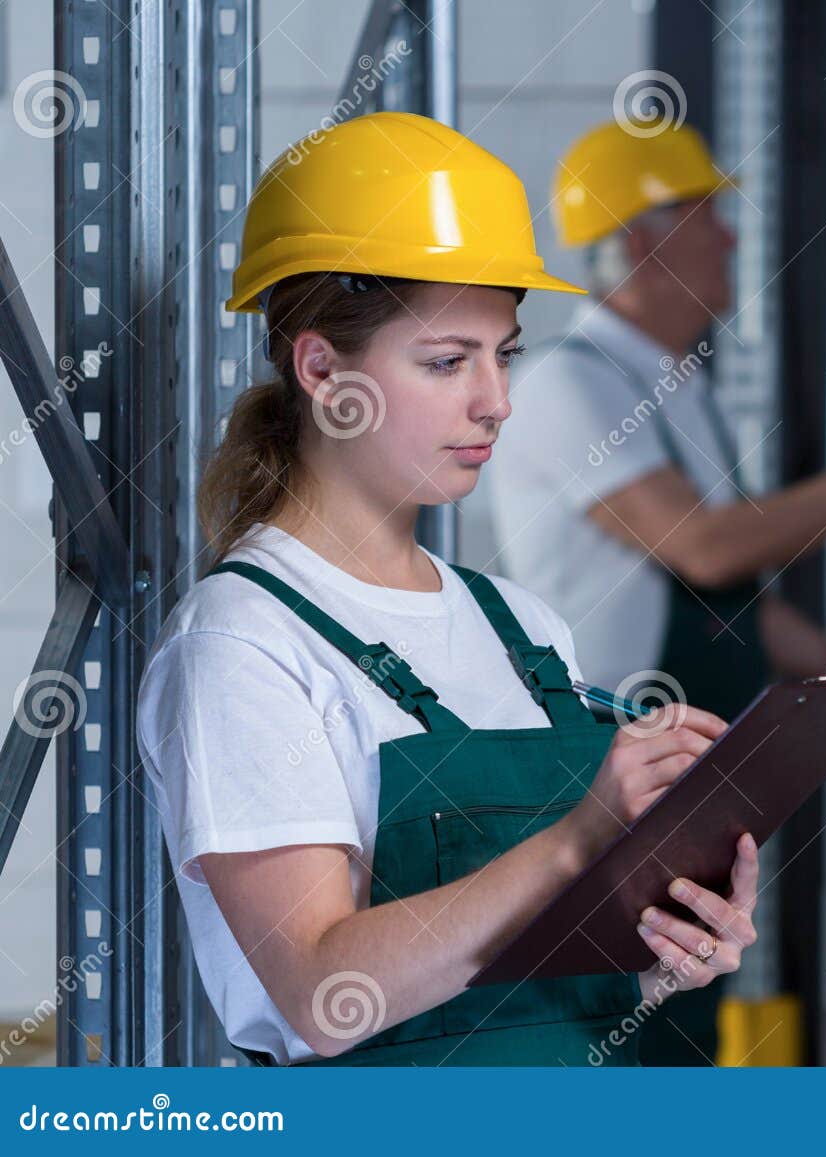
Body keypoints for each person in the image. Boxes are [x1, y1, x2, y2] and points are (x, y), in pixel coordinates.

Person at [135, 111, 759, 1067]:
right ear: (323, 369)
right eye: (446, 360)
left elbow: (547, 976)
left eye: (503, 352)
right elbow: (321, 994)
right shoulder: (244, 643)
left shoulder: (525, 629)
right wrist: (578, 839)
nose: (496, 400)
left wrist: (666, 956)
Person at [482, 118, 826, 1063]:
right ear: (641, 240)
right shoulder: (571, 387)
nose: (732, 237)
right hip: (612, 784)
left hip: (688, 780)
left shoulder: (678, 390)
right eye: (706, 217)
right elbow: (705, 548)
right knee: (620, 1041)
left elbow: (739, 608)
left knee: (681, 1028)